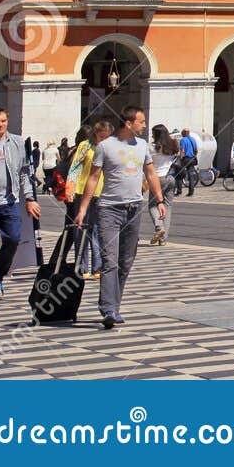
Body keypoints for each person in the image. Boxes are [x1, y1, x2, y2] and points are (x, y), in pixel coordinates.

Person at [74, 106, 166, 330]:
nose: (144, 126)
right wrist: (83, 208)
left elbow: (151, 173)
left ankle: (114, 305)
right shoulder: (105, 146)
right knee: (110, 261)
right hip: (108, 210)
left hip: (134, 209)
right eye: (141, 122)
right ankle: (108, 309)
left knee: (126, 261)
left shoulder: (142, 146)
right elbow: (94, 178)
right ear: (128, 123)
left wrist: (160, 199)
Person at [0, 107, 43, 305]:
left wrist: (30, 198)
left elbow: (24, 173)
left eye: (4, 121)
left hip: (9, 202)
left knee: (13, 240)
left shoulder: (17, 143)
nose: (1, 125)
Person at [62, 120, 113, 280]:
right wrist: (69, 188)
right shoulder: (85, 145)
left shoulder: (111, 146)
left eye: (107, 137)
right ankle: (82, 267)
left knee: (98, 230)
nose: (103, 140)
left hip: (103, 192)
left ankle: (98, 267)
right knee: (81, 230)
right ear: (95, 135)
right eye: (101, 137)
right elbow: (75, 166)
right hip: (83, 191)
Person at [147, 124, 180, 246]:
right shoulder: (172, 145)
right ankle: (163, 239)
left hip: (156, 179)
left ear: (155, 134)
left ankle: (158, 227)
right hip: (170, 178)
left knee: (152, 205)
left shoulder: (151, 147)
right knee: (168, 207)